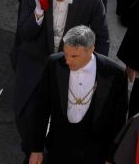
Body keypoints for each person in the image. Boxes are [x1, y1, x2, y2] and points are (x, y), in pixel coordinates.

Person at [26, 26, 127, 164]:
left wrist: (111, 158)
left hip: (95, 154)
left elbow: (118, 121)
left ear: (91, 49)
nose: (67, 60)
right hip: (58, 148)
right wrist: (36, 149)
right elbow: (41, 108)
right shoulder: (54, 64)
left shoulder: (115, 74)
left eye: (74, 56)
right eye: (66, 53)